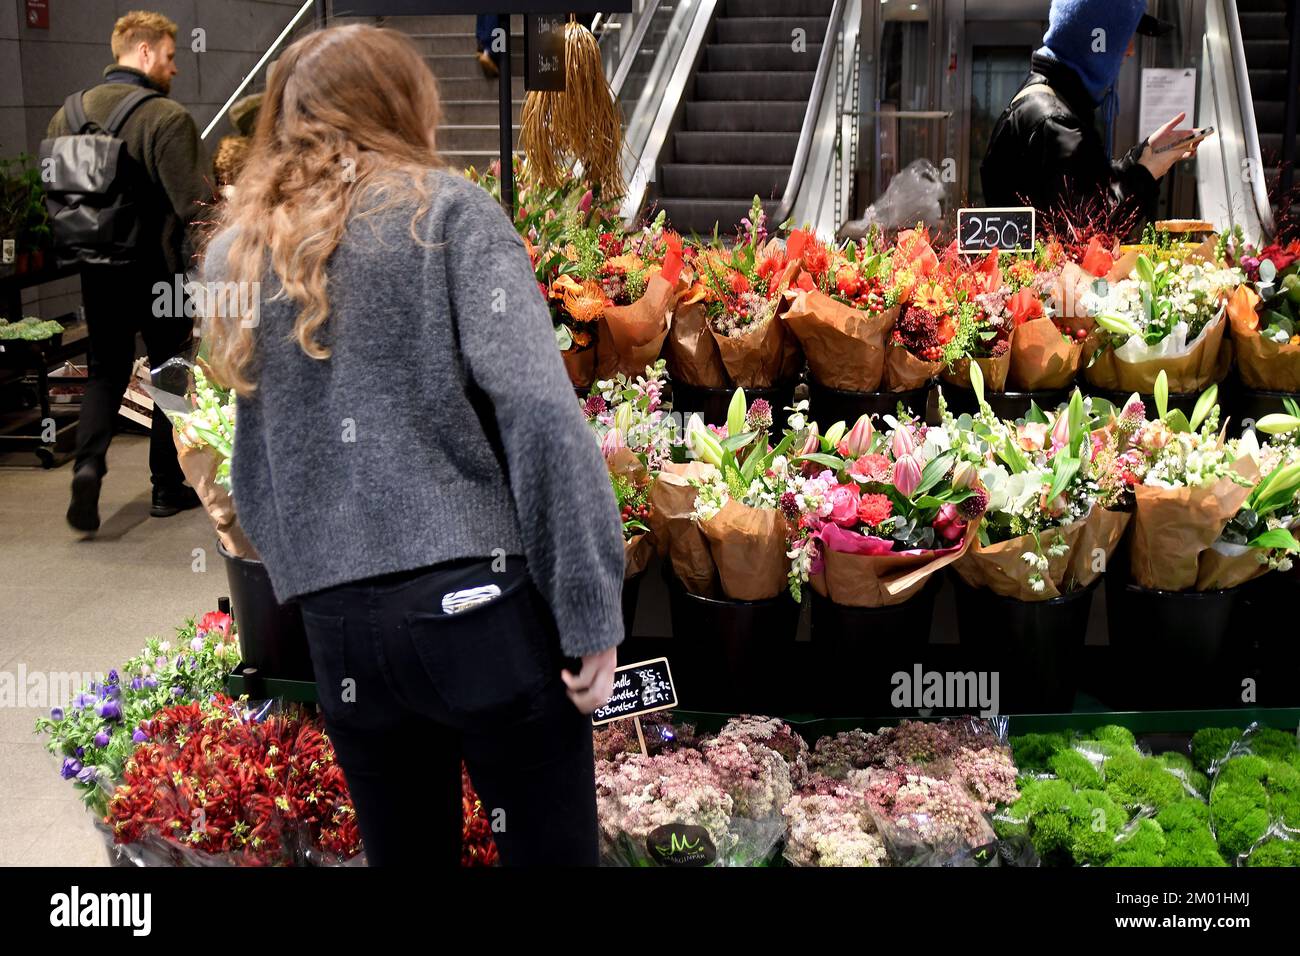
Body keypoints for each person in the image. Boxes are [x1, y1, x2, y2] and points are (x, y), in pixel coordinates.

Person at [200, 24, 623, 866]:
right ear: (403, 103)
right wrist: (590, 610)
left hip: (343, 631)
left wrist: (315, 579)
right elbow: (540, 412)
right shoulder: (451, 216)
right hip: (480, 608)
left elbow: (253, 460)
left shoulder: (239, 251)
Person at [51, 11, 210, 532]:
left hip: (96, 272)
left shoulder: (66, 115)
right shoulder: (164, 117)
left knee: (105, 372)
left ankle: (89, 466)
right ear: (144, 53)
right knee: (169, 372)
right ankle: (167, 486)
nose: (174, 68)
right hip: (160, 273)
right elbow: (197, 205)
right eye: (169, 56)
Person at [981, 0, 1201, 229]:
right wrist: (1147, 172)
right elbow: (1092, 236)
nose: (1131, 50)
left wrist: (1143, 156)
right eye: (1124, 37)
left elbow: (1085, 188)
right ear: (1096, 41)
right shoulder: (1057, 122)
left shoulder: (1043, 97)